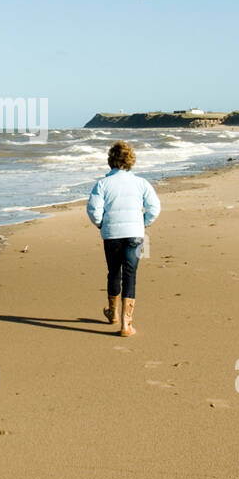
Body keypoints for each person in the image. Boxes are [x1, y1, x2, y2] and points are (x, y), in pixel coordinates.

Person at [86, 141, 160, 336]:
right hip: (135, 234)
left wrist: (100, 223)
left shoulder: (103, 183)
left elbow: (94, 210)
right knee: (130, 274)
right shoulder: (141, 183)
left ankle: (113, 313)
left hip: (112, 235)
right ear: (131, 161)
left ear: (111, 160)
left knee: (113, 272)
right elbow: (154, 208)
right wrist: (143, 223)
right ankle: (126, 325)